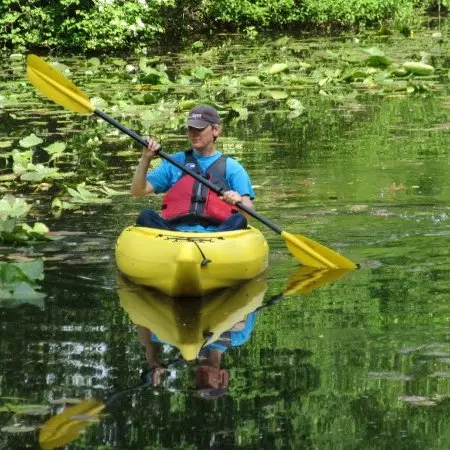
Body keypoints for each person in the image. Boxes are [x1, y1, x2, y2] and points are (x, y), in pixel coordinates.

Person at [130, 104, 255, 232]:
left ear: (215, 130)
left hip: (218, 233)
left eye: (199, 128)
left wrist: (238, 202)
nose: (193, 133)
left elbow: (249, 213)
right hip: (173, 232)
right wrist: (146, 158)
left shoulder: (233, 168)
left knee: (239, 220)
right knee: (146, 216)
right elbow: (137, 191)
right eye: (191, 128)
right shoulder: (174, 162)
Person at [136, 312, 257, 399]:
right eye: (207, 383)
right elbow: (250, 304)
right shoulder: (238, 337)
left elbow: (143, 328)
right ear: (222, 376)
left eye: (199, 384)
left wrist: (152, 358)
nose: (201, 379)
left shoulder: (186, 345)